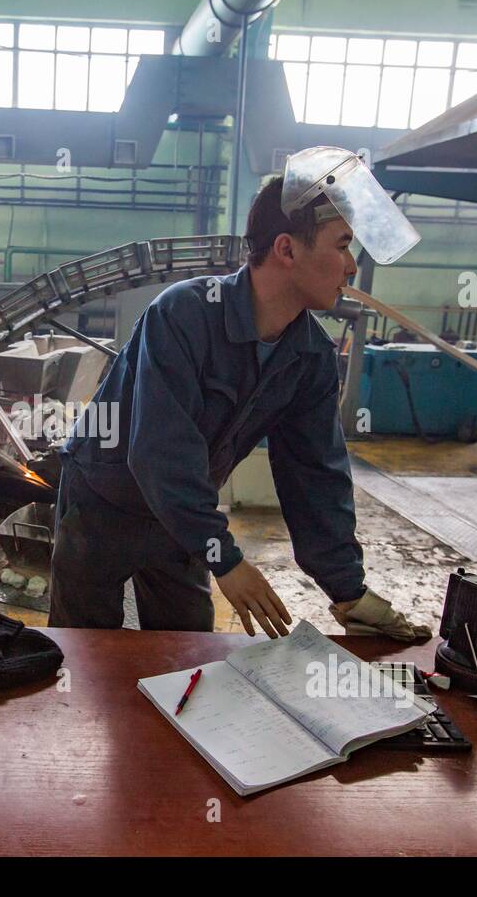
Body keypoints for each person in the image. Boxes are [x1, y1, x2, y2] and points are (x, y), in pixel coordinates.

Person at [49, 147, 430, 641]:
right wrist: (224, 559)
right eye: (341, 247)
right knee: (86, 656)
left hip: (182, 522)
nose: (352, 268)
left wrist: (348, 591)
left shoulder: (310, 357)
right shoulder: (184, 314)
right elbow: (160, 453)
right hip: (103, 504)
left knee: (187, 655)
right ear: (287, 250)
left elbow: (315, 476)